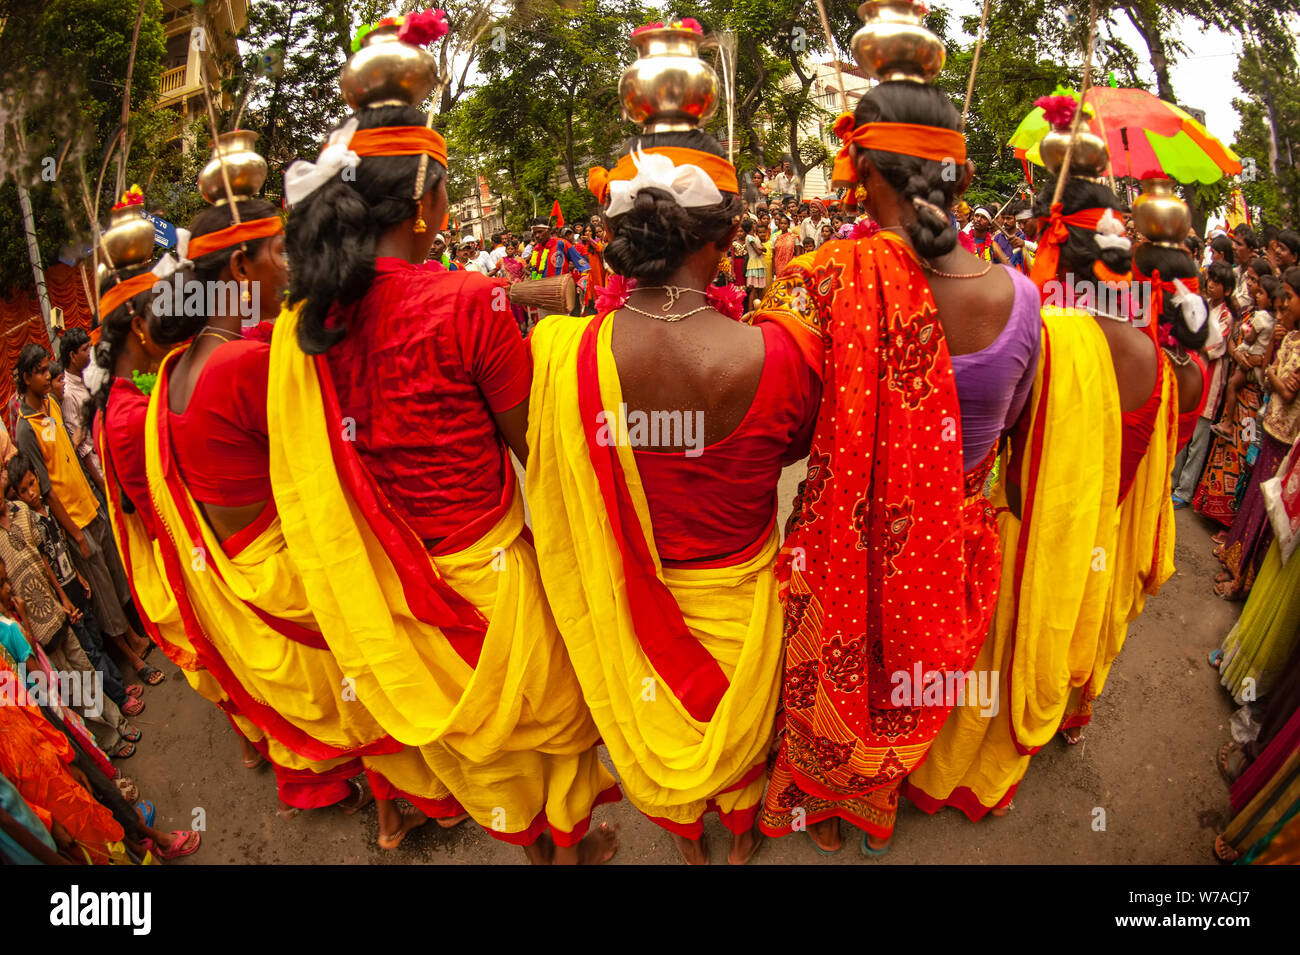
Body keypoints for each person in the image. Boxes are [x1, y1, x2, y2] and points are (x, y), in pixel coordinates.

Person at [276, 61, 619, 863]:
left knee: (487, 750)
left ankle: (538, 852)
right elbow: (541, 449)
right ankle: (572, 850)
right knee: (553, 729)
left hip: (393, 590)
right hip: (493, 581)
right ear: (428, 203)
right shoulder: (467, 303)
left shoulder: (313, 325)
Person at [757, 77, 1042, 856]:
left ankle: (822, 801)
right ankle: (879, 801)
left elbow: (779, 433)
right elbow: (1012, 424)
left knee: (839, 670)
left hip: (844, 536)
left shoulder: (822, 279)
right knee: (905, 677)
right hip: (949, 539)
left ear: (862, 172)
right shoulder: (1023, 300)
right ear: (959, 179)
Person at [541, 112, 821, 865]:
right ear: (727, 241)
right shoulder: (782, 353)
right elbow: (794, 448)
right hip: (744, 598)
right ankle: (737, 843)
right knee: (743, 731)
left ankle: (690, 848)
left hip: (630, 602)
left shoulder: (564, 355)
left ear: (622, 240)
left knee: (656, 725)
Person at [12, 345, 158, 687]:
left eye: (50, 369)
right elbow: (46, 489)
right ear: (26, 378)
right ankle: (133, 655)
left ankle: (142, 631)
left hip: (90, 502)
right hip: (73, 520)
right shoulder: (24, 430)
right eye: (43, 371)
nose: (50, 375)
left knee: (117, 575)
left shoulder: (51, 404)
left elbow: (69, 453)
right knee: (103, 592)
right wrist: (75, 533)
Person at [1212, 267, 1300, 600]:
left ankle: (1242, 580)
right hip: (1269, 428)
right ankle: (1234, 561)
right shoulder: (1288, 337)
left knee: (1265, 510)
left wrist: (1273, 376)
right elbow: (1270, 375)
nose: (1283, 309)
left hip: (1286, 439)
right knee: (1252, 498)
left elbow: (1284, 389)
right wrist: (1275, 375)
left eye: (1288, 299)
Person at [1173, 261, 1237, 506]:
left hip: (1209, 385)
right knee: (1182, 434)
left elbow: (1210, 346)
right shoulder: (1205, 306)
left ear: (1228, 290)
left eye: (1217, 282)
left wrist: (1191, 333)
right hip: (1193, 376)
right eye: (1210, 279)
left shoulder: (1226, 316)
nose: (1211, 285)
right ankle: (1172, 481)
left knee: (1197, 441)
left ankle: (1185, 490)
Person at [1213, 276, 1279, 439]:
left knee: (1245, 434)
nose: (1256, 293)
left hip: (1251, 387)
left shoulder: (1261, 317)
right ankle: (1229, 426)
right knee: (1244, 437)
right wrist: (1237, 354)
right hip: (1250, 374)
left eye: (1261, 291)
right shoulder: (1258, 316)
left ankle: (1228, 425)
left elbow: (1248, 339)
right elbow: (1232, 342)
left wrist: (1244, 331)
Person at [57, 329, 104, 492]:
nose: (90, 353)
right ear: (72, 356)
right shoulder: (68, 394)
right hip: (101, 468)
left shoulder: (88, 375)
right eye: (85, 349)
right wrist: (102, 483)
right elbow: (84, 448)